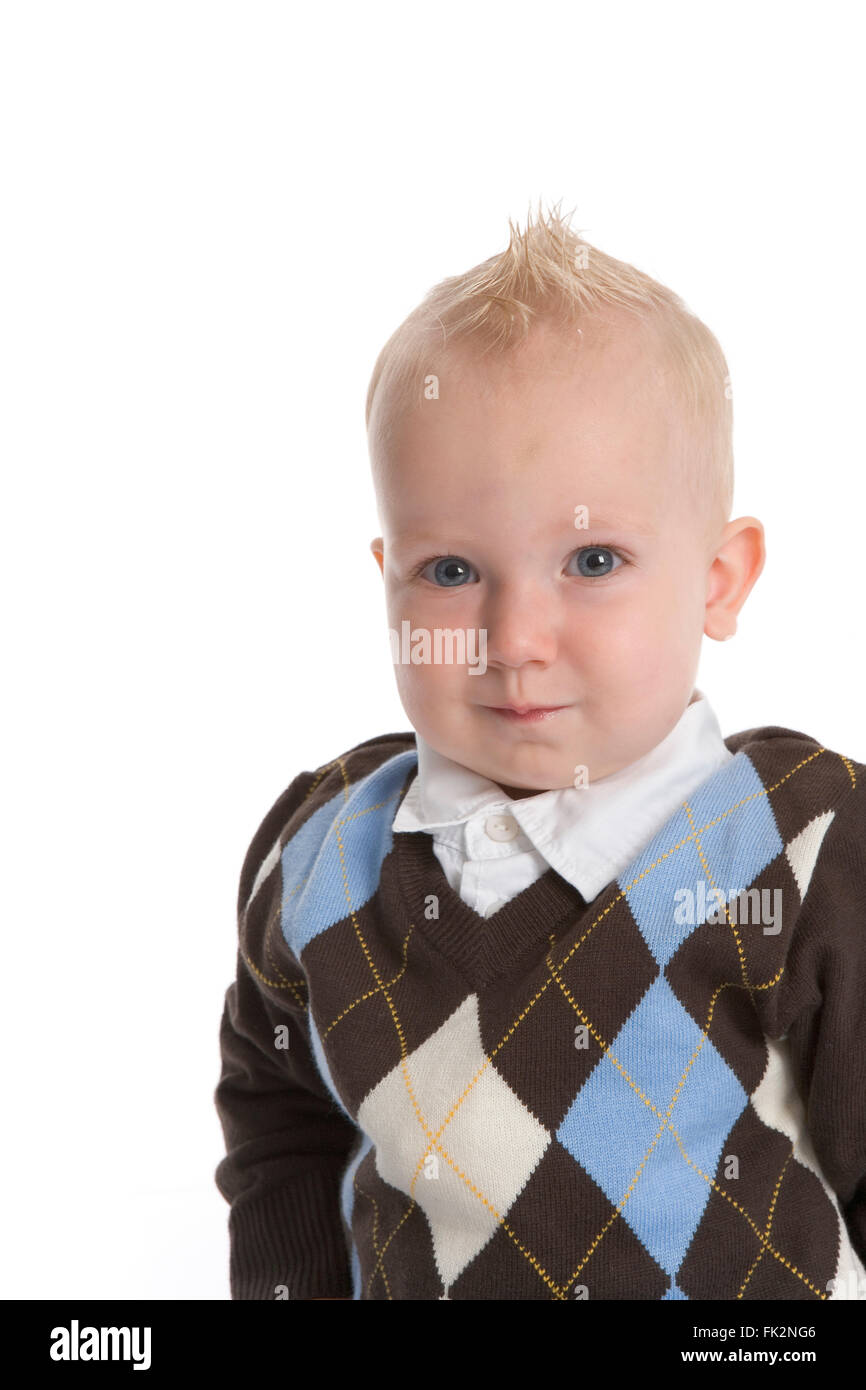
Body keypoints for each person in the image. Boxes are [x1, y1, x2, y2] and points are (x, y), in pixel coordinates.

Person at [214, 203, 866, 1300]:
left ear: (717, 579)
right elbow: (281, 1129)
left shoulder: (795, 840)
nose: (514, 641)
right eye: (451, 571)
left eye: (592, 558)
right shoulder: (319, 855)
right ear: (387, 576)